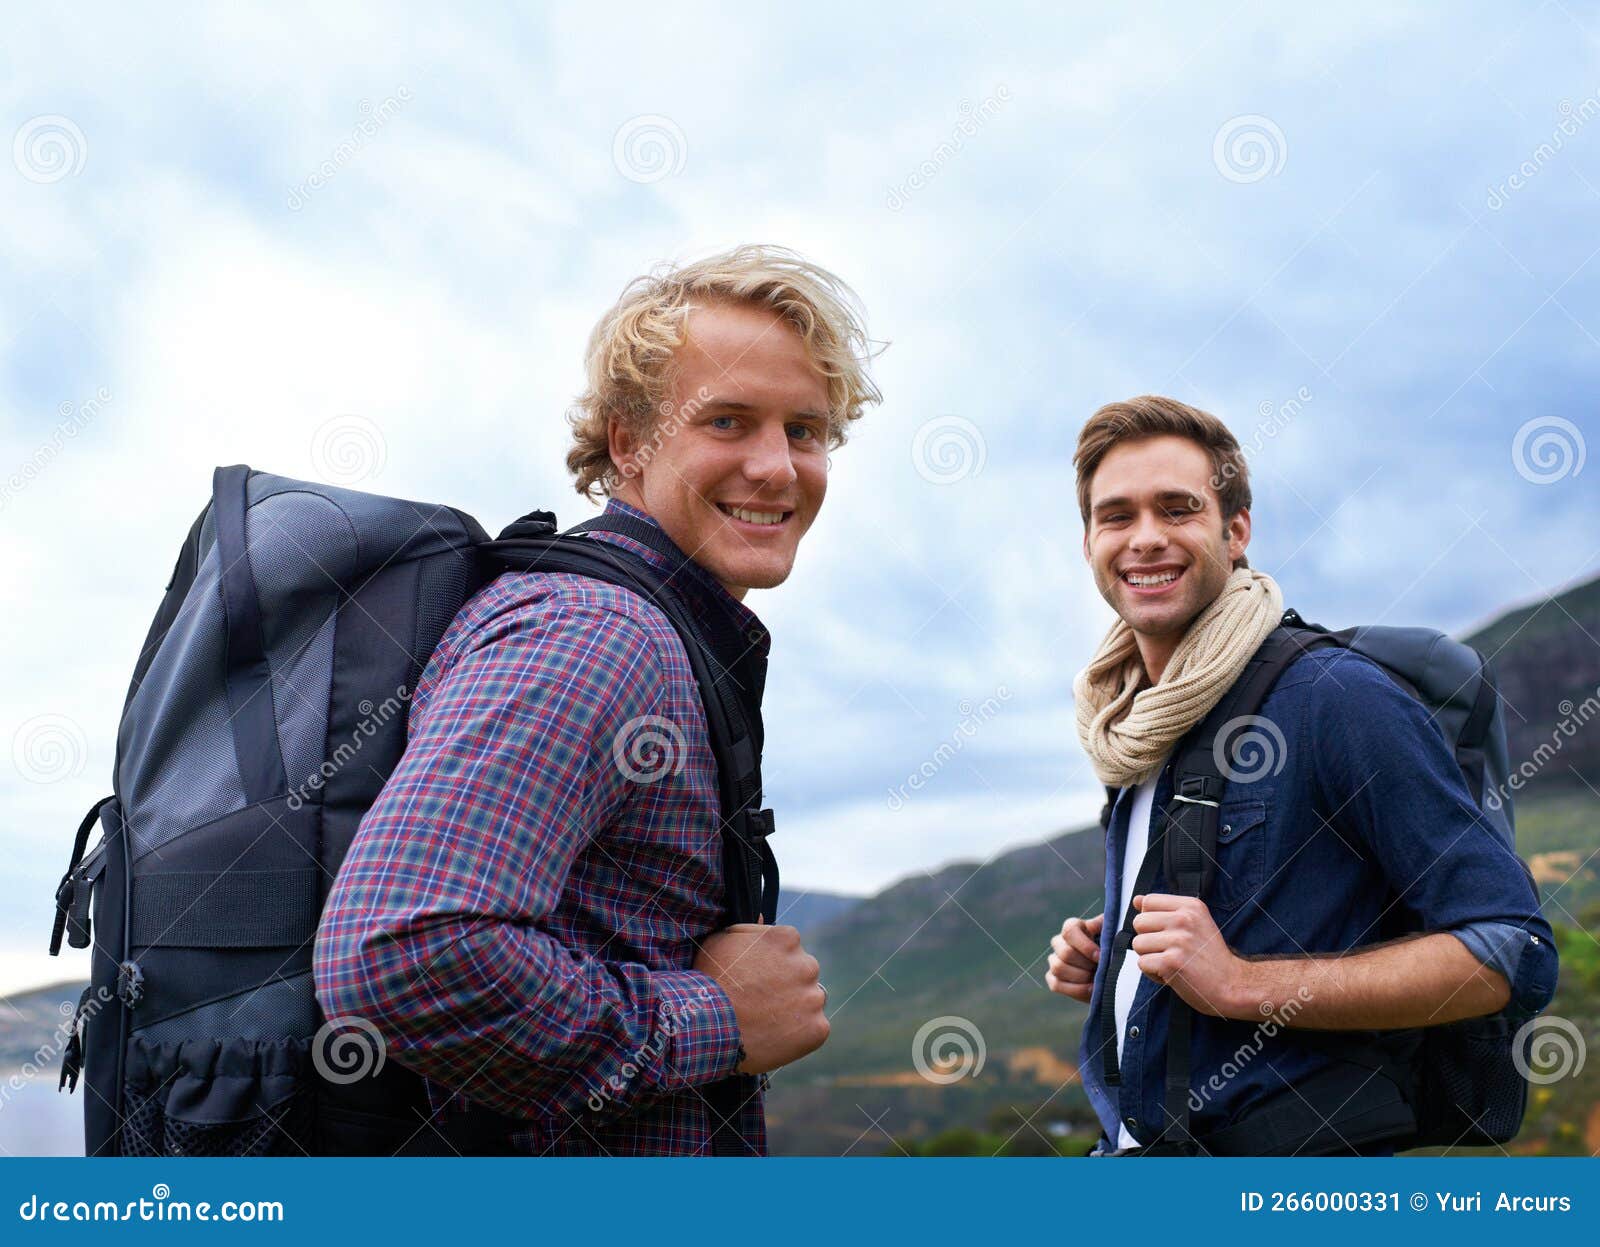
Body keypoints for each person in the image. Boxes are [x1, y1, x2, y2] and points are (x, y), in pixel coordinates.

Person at [313, 245, 881, 1155]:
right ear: (630, 441)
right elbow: (398, 954)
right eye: (729, 421)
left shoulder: (649, 626)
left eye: (805, 431)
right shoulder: (599, 634)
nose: (778, 467)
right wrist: (719, 1018)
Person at [1044, 395, 1557, 1155]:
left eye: (1177, 508)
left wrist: (1238, 981)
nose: (1145, 538)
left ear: (1236, 531)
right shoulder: (1137, 729)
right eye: (1117, 516)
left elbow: (1510, 953)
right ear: (1088, 541)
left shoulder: (1335, 697)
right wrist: (1117, 959)